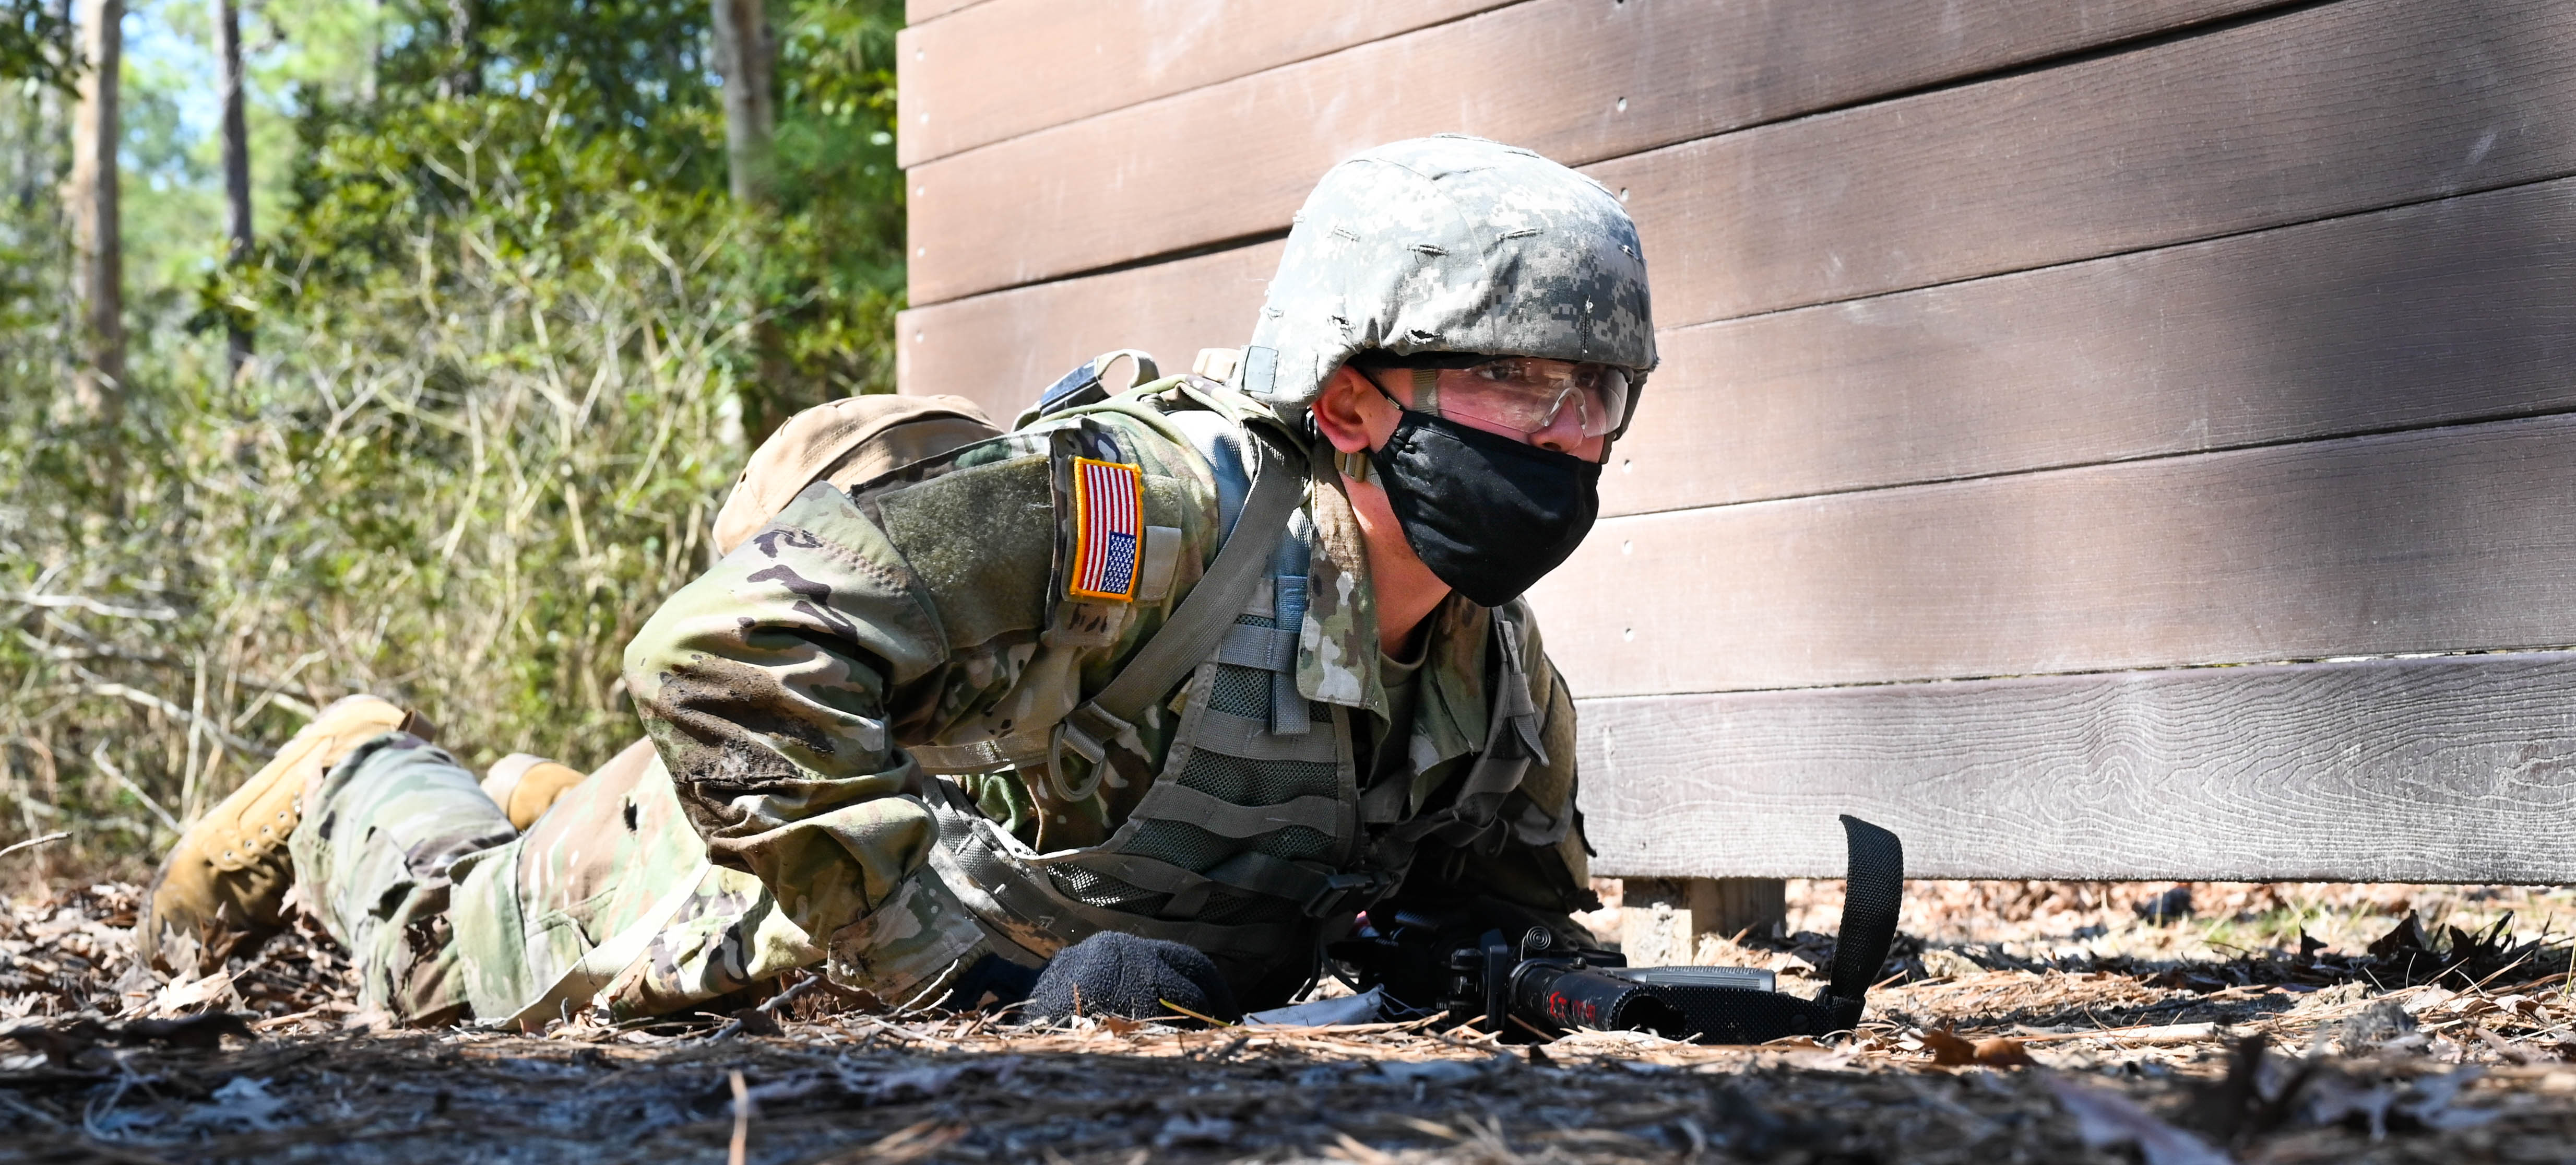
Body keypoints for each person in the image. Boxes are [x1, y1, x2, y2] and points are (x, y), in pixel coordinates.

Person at [134, 135, 1659, 1025]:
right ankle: (361, 771)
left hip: (875, 817)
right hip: (742, 875)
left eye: (1598, 396)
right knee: (435, 960)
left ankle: (553, 792)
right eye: (1523, 386)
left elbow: (1503, 923)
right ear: (1345, 400)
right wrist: (962, 968)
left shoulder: (1495, 676)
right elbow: (717, 659)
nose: (1572, 437)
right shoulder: (1143, 514)